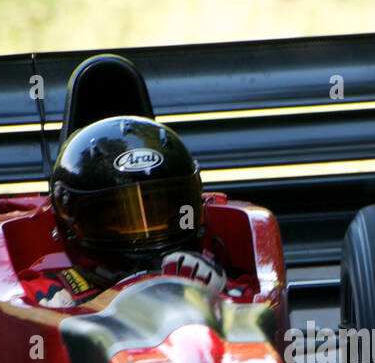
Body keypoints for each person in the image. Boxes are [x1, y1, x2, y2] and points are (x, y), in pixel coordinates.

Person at [19, 115, 236, 307]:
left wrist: (223, 300)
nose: (145, 230)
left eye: (160, 214)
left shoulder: (216, 282)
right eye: (120, 218)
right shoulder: (45, 297)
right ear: (71, 221)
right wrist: (54, 319)